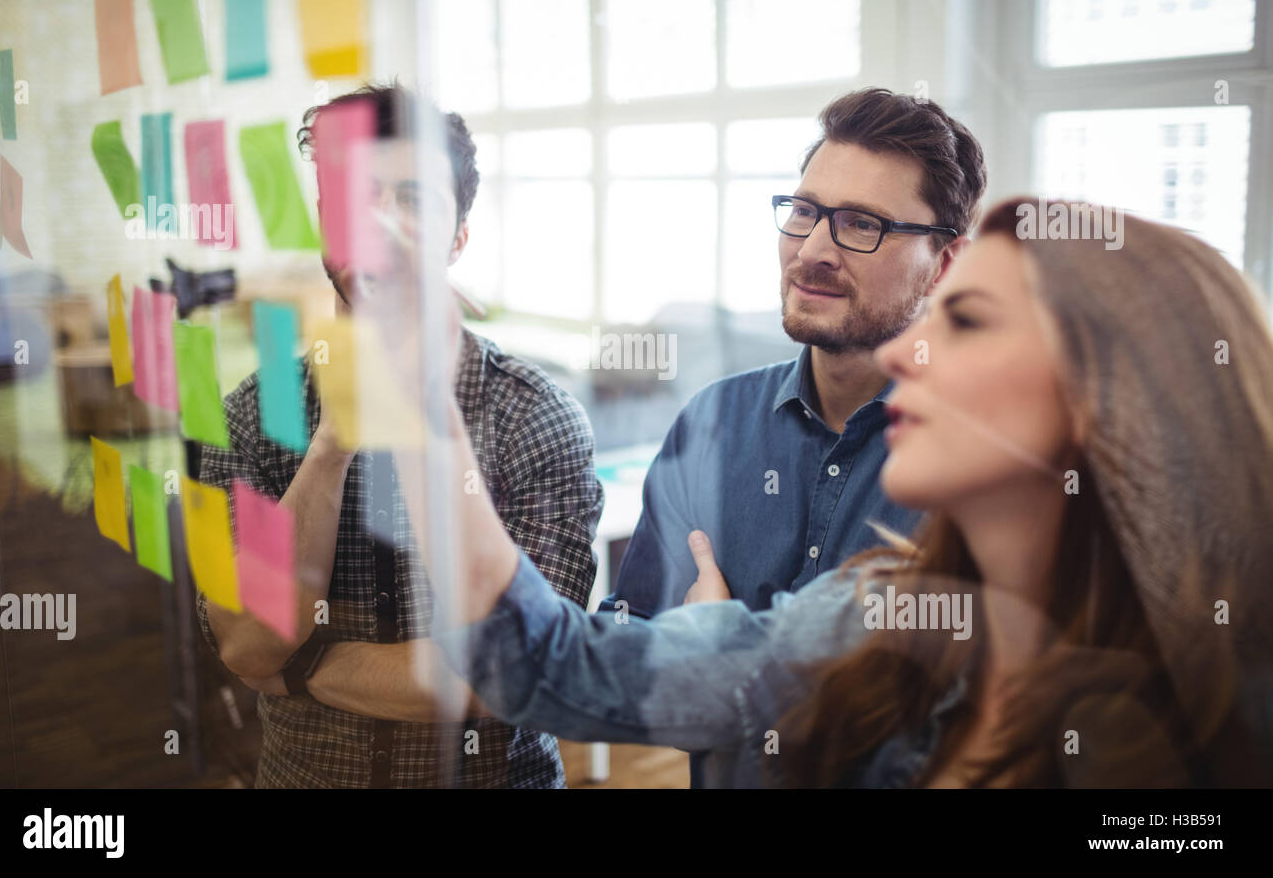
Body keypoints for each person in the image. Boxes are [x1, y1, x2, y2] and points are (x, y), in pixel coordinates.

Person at [406, 197, 1273, 787]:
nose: (906, 357)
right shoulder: (878, 607)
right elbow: (554, 666)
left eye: (966, 323)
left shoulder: (1223, 700)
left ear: (1118, 387)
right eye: (804, 213)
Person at [196, 83, 603, 788]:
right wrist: (330, 446)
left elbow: (522, 670)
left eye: (413, 198)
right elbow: (245, 642)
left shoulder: (536, 419)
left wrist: (306, 667)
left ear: (459, 237)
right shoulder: (249, 417)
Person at [603, 86, 986, 785]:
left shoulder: (985, 467)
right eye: (804, 212)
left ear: (946, 262)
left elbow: (960, 732)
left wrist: (721, 656)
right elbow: (622, 649)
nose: (812, 250)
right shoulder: (712, 423)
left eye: (862, 224)